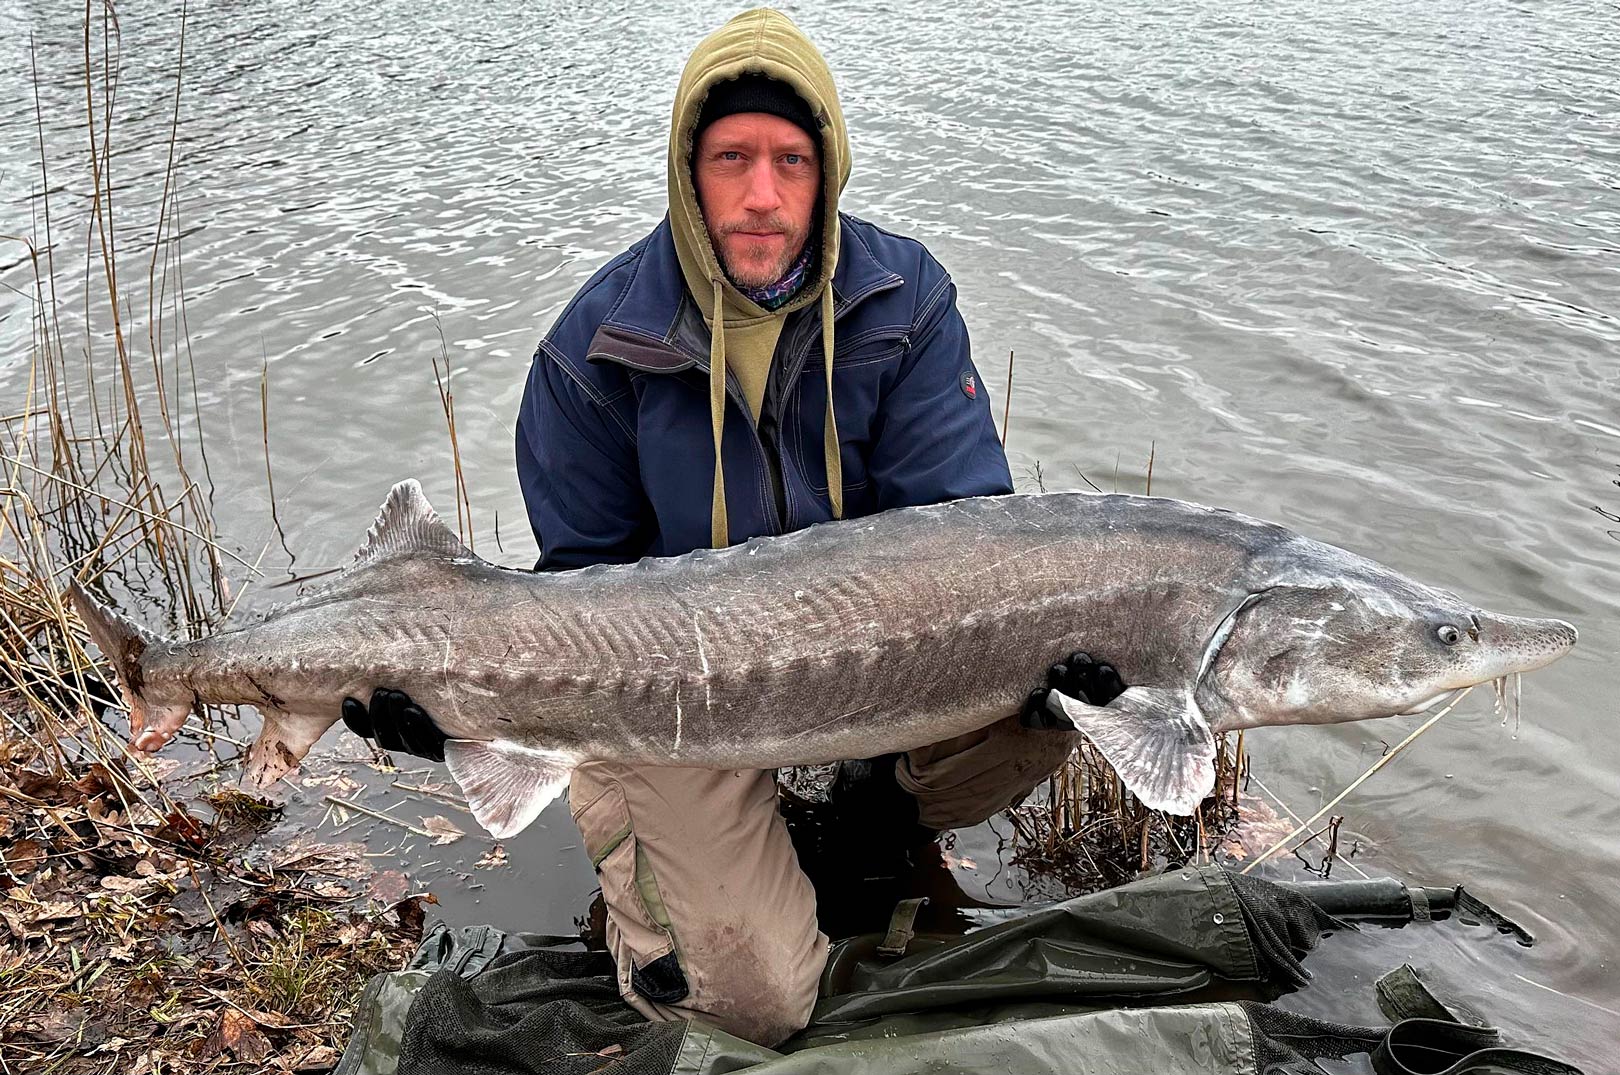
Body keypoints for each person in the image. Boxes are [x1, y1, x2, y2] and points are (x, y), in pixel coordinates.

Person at [342, 8, 1122, 1047]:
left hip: (863, 670)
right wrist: (461, 712)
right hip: (663, 697)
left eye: (792, 161)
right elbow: (580, 617)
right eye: (732, 159)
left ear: (829, 168)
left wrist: (1066, 657)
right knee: (755, 1006)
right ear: (687, 170)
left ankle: (868, 824)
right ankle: (687, 884)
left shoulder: (907, 300)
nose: (762, 195)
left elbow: (966, 540)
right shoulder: (590, 353)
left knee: (1067, 685)